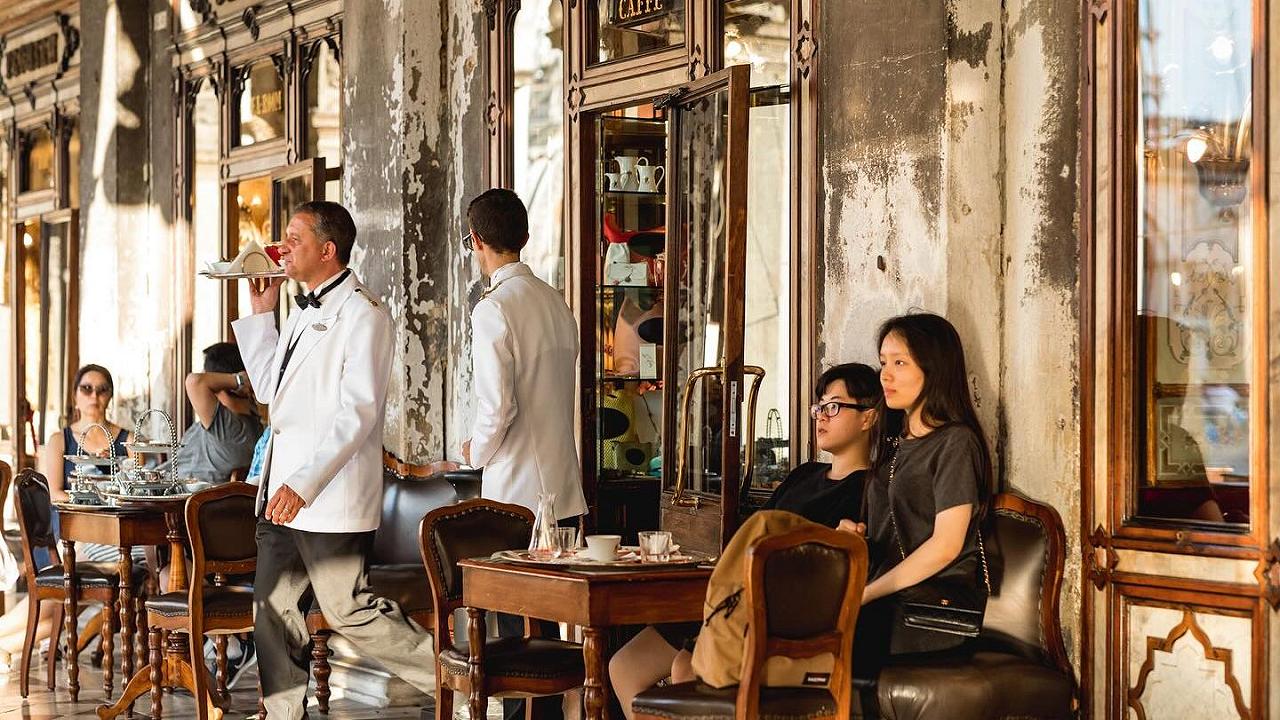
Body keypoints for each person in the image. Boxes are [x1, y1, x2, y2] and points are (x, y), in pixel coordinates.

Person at [234, 201, 434, 719]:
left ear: (328, 250)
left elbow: (358, 414)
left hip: (328, 495)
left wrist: (305, 483)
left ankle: (456, 678)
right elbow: (269, 395)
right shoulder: (301, 307)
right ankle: (282, 713)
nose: (281, 247)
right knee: (273, 612)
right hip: (280, 492)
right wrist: (261, 316)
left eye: (293, 238)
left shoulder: (364, 314)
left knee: (348, 610)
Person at [609, 363, 883, 718]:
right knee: (624, 665)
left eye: (834, 406)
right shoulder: (803, 475)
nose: (821, 417)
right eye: (818, 407)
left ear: (868, 418)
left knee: (684, 668)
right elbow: (752, 533)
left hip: (773, 619)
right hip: (729, 601)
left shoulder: (868, 490)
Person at [461, 188, 588, 720]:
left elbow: (497, 408)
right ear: (525, 238)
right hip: (566, 486)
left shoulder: (495, 309)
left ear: (476, 242)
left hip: (517, 495)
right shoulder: (556, 302)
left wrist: (474, 453)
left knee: (516, 637)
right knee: (555, 632)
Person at [845, 312, 993, 680]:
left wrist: (866, 594)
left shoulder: (955, 442)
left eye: (900, 363)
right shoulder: (894, 445)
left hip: (927, 613)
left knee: (801, 634)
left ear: (934, 368)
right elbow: (892, 530)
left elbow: (946, 546)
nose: (885, 375)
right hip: (887, 602)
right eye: (883, 363)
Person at [0, 366, 134, 668]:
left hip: (117, 533)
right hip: (72, 531)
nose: (94, 395)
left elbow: (135, 487)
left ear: (110, 395)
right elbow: (53, 492)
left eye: (101, 389)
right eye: (86, 388)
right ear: (75, 395)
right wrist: (94, 496)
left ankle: (3, 647)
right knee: (55, 602)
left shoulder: (126, 439)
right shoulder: (61, 439)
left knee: (54, 605)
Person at [171, 342, 263, 485]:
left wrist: (240, 380)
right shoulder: (245, 423)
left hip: (174, 499)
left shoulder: (232, 430)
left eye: (210, 376)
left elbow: (194, 382)